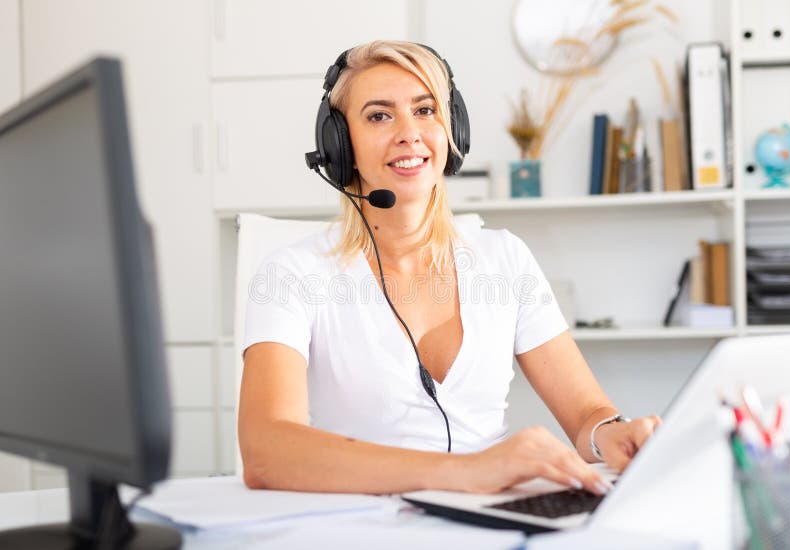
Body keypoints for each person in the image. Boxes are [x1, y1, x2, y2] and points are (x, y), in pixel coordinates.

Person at [239, 40, 660, 497]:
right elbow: (266, 452)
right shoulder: (291, 273)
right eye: (380, 116)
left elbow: (585, 414)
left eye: (425, 110)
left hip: (489, 521)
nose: (409, 133)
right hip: (361, 523)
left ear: (451, 127)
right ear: (340, 144)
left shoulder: (505, 259)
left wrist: (609, 433)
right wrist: (464, 472)